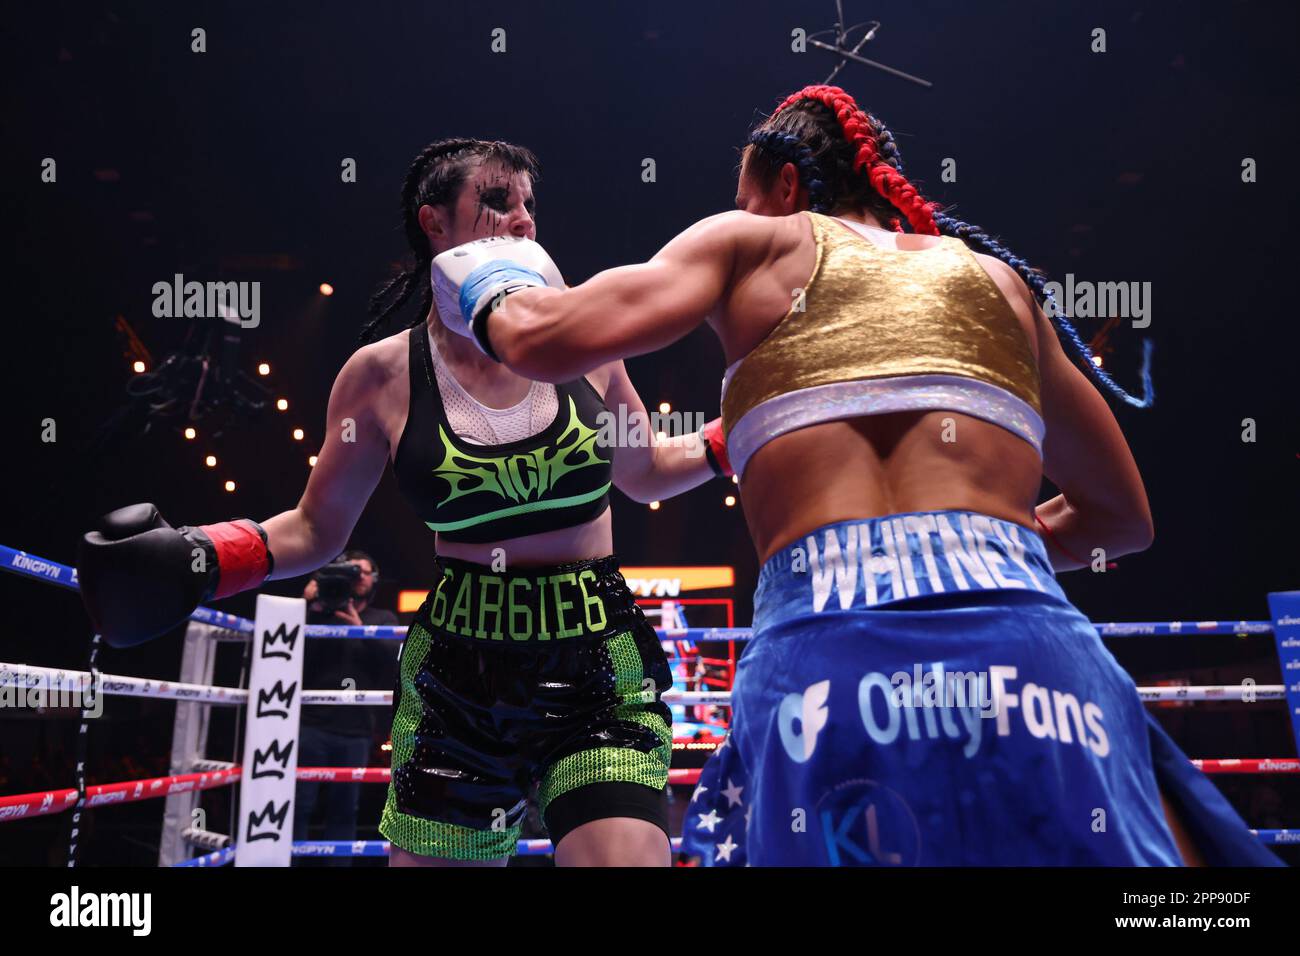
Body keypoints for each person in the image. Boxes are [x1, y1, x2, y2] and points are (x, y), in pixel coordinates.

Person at [434, 86, 1279, 865]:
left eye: (747, 196)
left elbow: (540, 342)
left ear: (786, 185)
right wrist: (985, 551)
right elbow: (1121, 520)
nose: (742, 212)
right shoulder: (1001, 288)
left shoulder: (750, 245)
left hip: (830, 657)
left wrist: (485, 280)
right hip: (1034, 659)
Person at [77, 138, 723, 867]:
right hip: (460, 677)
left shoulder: (586, 346)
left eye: (529, 205)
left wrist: (740, 434)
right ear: (434, 223)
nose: (521, 221)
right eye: (497, 200)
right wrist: (203, 555)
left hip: (594, 661)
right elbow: (317, 528)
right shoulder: (380, 376)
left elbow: (645, 471)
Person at [293, 550, 400, 863]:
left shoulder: (382, 619)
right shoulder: (316, 613)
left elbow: (395, 659)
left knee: (344, 809)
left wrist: (359, 628)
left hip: (355, 730)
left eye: (365, 572)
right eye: (354, 572)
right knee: (299, 804)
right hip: (311, 724)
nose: (360, 577)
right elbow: (286, 645)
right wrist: (304, 602)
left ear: (374, 580)